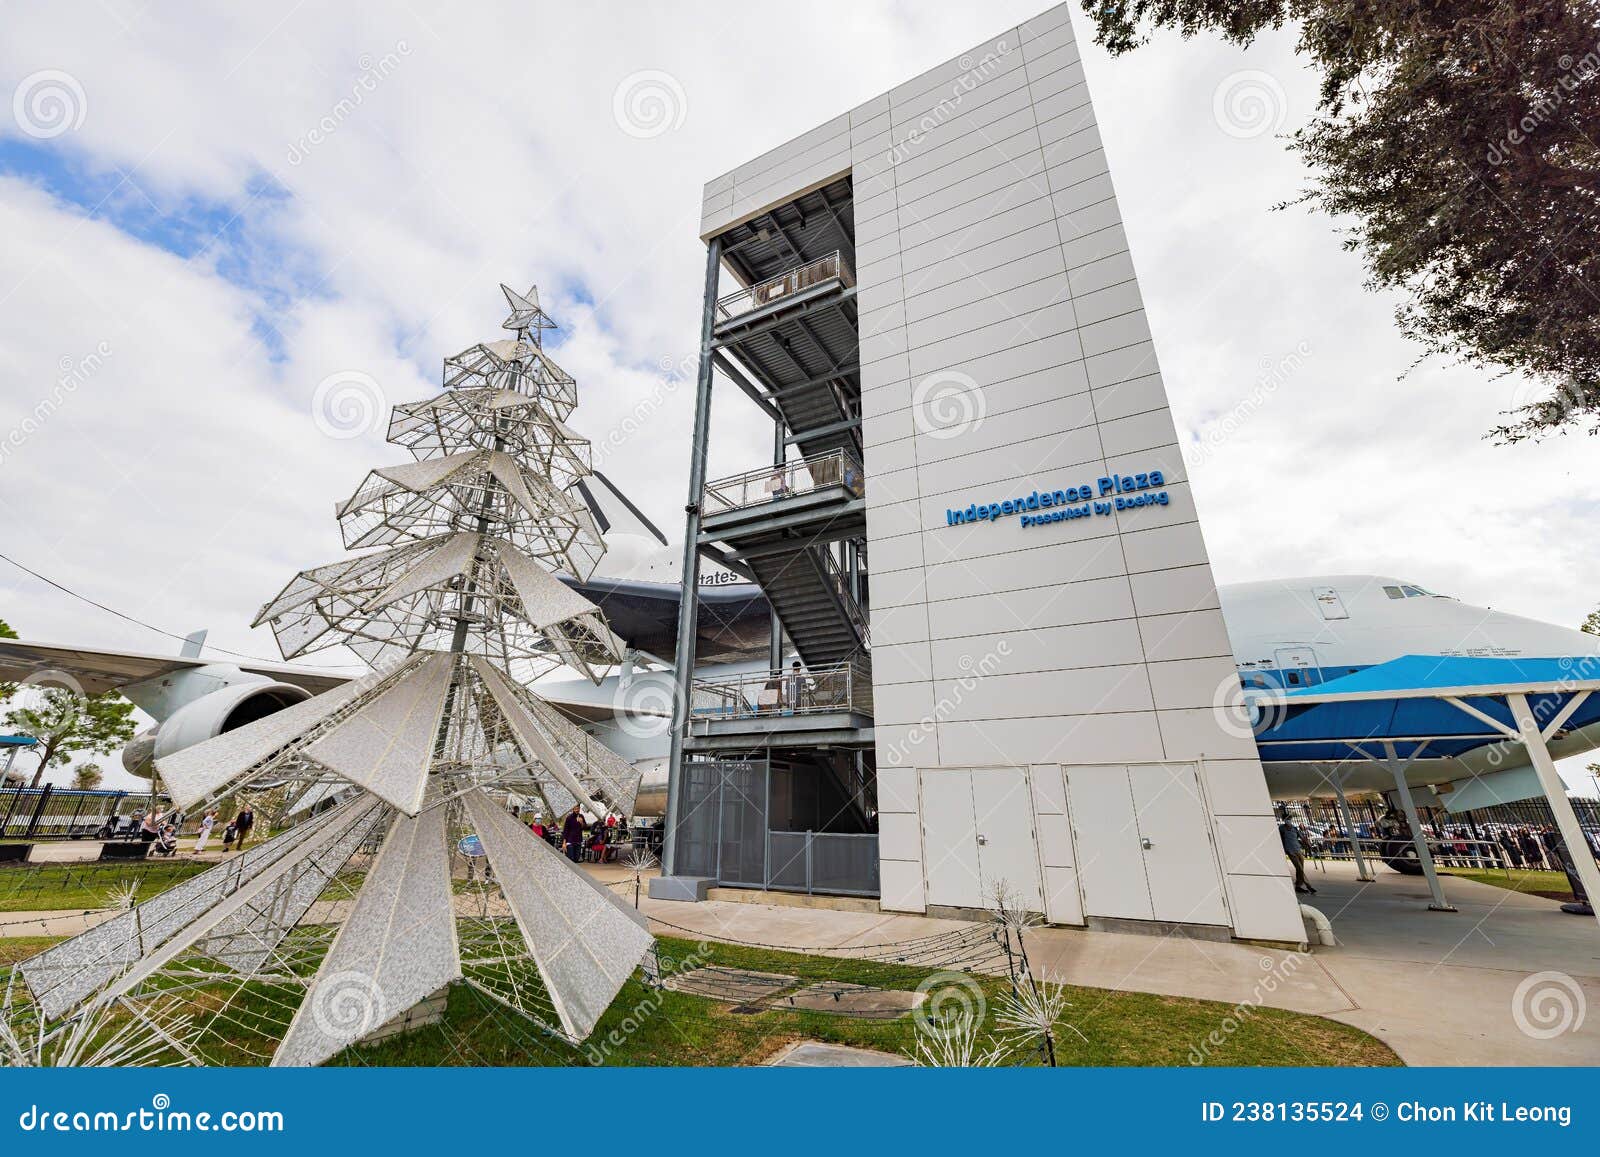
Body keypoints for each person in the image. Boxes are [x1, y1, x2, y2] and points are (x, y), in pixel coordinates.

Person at [1279, 817, 1316, 895]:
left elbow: (1302, 837)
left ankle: (1298, 886)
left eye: (1290, 819)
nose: (1289, 821)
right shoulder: (1281, 829)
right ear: (1285, 821)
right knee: (1299, 868)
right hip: (1290, 851)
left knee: (1300, 868)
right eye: (1287, 819)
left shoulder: (1295, 829)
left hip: (1298, 850)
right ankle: (1309, 886)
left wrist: (1309, 844)